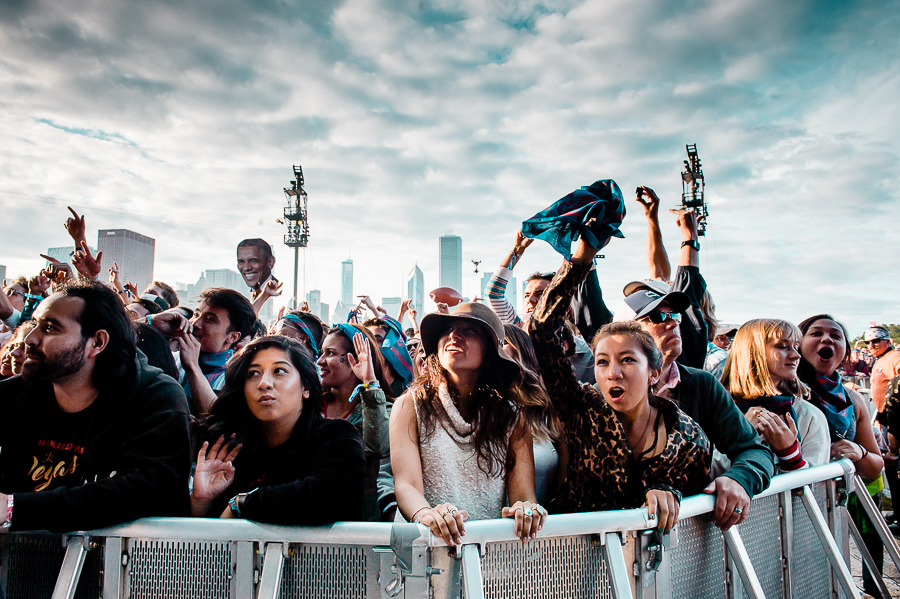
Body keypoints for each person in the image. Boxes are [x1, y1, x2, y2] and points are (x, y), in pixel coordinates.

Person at [529, 236, 711, 533]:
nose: (613, 372)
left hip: (650, 570)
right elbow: (541, 331)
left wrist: (669, 491)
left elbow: (700, 508)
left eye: (627, 360)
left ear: (654, 372)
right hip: (571, 558)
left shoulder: (689, 438)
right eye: (602, 362)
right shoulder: (581, 410)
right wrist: (581, 259)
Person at [0, 280, 192, 532]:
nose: (31, 338)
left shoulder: (154, 395)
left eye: (50, 328)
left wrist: (14, 508)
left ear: (97, 343)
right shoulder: (19, 391)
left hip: (115, 564)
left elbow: (149, 489)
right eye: (34, 324)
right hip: (21, 560)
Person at [390, 302, 544, 545]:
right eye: (448, 328)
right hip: (423, 547)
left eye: (470, 330)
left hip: (485, 552)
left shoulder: (512, 414)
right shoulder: (409, 405)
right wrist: (426, 515)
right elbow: (406, 484)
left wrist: (526, 510)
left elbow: (523, 494)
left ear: (490, 350)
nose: (454, 335)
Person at [190, 336, 364, 523]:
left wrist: (241, 504)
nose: (264, 383)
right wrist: (201, 500)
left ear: (305, 387)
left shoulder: (336, 436)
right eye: (253, 374)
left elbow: (334, 496)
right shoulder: (227, 446)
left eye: (279, 371)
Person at [797, 315, 885, 597]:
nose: (827, 339)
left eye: (835, 336)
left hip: (848, 503)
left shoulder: (853, 400)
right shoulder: (783, 392)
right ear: (797, 343)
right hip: (801, 509)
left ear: (845, 349)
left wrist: (857, 452)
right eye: (816, 333)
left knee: (867, 576)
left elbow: (874, 466)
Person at [720, 319, 830, 472]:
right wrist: (743, 437)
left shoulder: (808, 415)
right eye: (783, 346)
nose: (796, 355)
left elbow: (818, 487)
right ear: (752, 351)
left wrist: (789, 454)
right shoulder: (716, 409)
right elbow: (704, 475)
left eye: (796, 347)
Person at [317, 324, 392, 521]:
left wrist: (369, 383)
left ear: (355, 359)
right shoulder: (309, 405)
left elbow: (378, 447)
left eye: (330, 353)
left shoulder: (384, 408)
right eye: (321, 352)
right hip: (311, 517)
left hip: (359, 523)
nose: (320, 361)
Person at [173, 288, 257, 415]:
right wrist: (152, 321)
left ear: (232, 337)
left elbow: (213, 421)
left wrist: (193, 367)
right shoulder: (173, 359)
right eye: (196, 315)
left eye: (210, 319)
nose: (196, 323)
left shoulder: (236, 379)